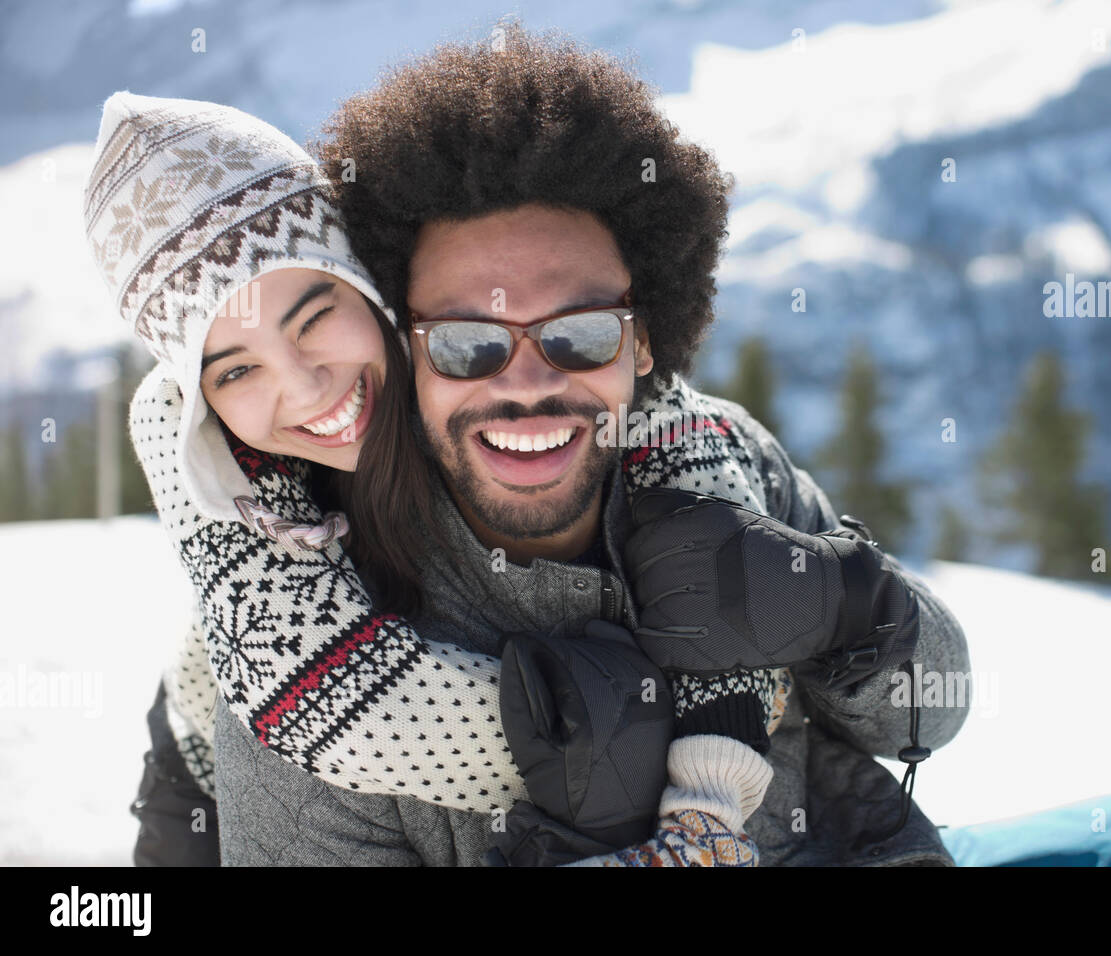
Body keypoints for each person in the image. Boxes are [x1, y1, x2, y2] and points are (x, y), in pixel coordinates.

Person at [205, 25, 973, 866]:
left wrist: (849, 604)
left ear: (645, 344)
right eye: (468, 342)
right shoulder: (317, 662)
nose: (528, 383)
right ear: (405, 355)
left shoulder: (729, 462)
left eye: (581, 334)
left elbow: (930, 715)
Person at [86, 91, 786, 867]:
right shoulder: (242, 486)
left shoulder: (498, 372)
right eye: (237, 369)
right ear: (201, 403)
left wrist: (705, 774)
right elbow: (339, 708)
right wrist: (630, 737)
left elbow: (720, 530)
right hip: (207, 788)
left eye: (315, 317)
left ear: (367, 283)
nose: (308, 389)